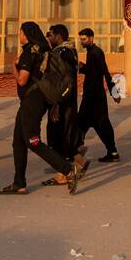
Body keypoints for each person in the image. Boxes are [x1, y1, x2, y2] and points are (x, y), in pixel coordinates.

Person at [0, 22, 84, 195]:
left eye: (21, 32)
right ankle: (19, 183)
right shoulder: (44, 51)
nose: (19, 35)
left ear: (27, 34)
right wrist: (53, 105)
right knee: (18, 142)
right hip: (39, 100)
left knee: (33, 141)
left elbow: (22, 80)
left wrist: (13, 68)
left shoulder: (29, 52)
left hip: (32, 101)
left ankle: (68, 169)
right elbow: (49, 80)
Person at [44, 23, 86, 179]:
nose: (49, 37)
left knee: (58, 137)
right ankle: (80, 162)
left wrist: (56, 103)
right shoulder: (69, 51)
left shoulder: (61, 53)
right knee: (65, 136)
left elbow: (64, 80)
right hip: (68, 100)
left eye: (50, 34)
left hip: (62, 102)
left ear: (58, 36)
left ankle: (63, 174)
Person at [76, 27, 120, 162]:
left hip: (95, 96)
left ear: (91, 38)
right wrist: (82, 67)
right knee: (92, 124)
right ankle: (112, 153)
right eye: (81, 40)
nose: (82, 42)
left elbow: (104, 72)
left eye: (84, 39)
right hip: (90, 94)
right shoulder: (91, 52)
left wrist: (114, 92)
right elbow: (92, 71)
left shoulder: (96, 52)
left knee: (99, 124)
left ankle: (76, 153)